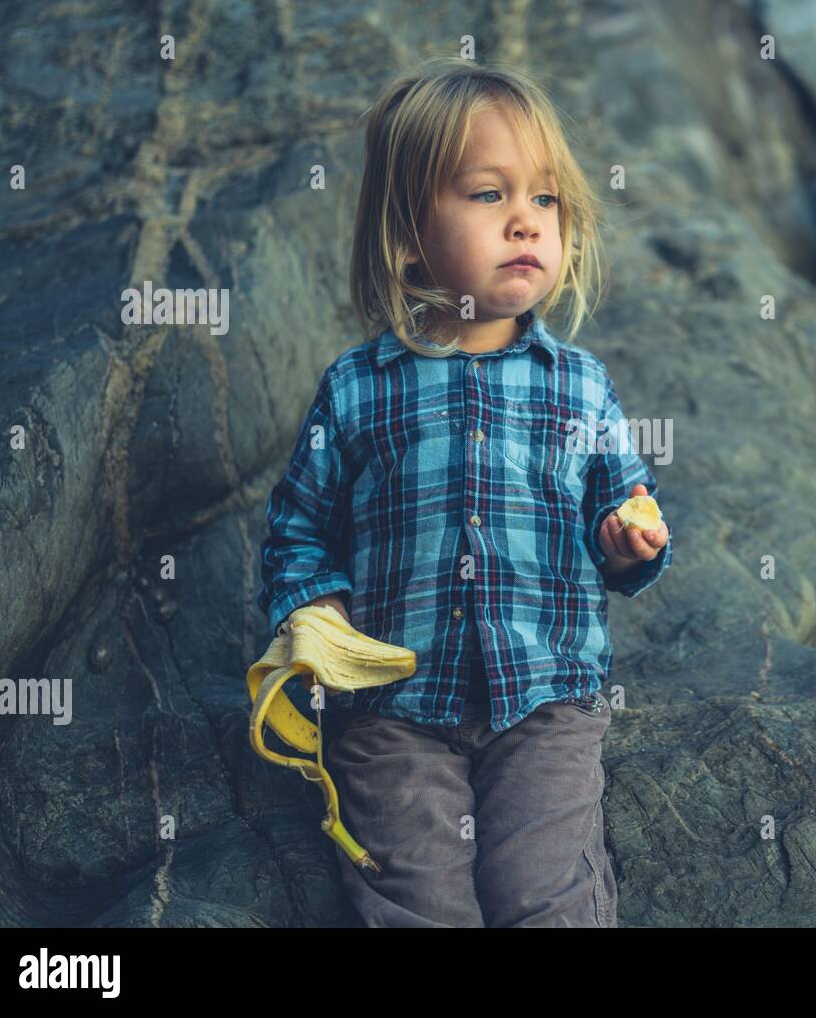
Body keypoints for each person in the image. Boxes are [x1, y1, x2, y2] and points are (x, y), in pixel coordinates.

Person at [257, 57, 672, 927]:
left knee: (546, 889)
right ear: (410, 233)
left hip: (545, 695)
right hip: (391, 706)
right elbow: (297, 528)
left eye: (546, 200)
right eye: (488, 195)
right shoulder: (358, 387)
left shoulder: (580, 385)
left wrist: (629, 542)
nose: (526, 219)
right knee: (414, 892)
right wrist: (315, 613)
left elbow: (621, 516)